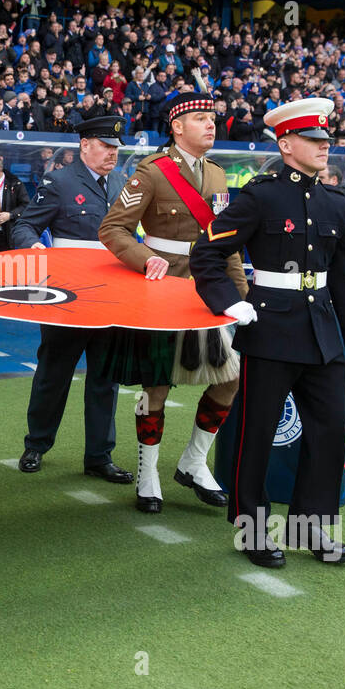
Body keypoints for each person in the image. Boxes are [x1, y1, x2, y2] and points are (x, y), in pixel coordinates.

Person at [189, 98, 345, 567]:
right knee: (257, 432)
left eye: (326, 140)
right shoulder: (260, 195)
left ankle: (313, 529)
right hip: (271, 329)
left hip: (324, 334)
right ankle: (252, 530)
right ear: (287, 144)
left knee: (330, 431)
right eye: (314, 140)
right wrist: (231, 303)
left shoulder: (336, 202)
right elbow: (206, 253)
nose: (323, 147)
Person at [98, 92, 247, 513]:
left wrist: (244, 298)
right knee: (156, 385)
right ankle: (148, 474)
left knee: (230, 379)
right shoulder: (152, 172)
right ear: (177, 127)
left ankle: (193, 462)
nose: (211, 124)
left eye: (212, 118)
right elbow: (113, 230)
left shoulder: (218, 176)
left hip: (208, 293)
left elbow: (225, 245)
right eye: (201, 118)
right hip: (163, 292)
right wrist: (148, 260)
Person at [9, 115, 132, 484]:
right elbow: (25, 225)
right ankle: (37, 444)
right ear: (85, 145)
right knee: (54, 372)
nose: (112, 154)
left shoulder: (124, 182)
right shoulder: (60, 181)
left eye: (115, 148)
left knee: (105, 378)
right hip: (68, 298)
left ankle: (99, 455)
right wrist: (34, 248)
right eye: (106, 146)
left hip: (111, 296)